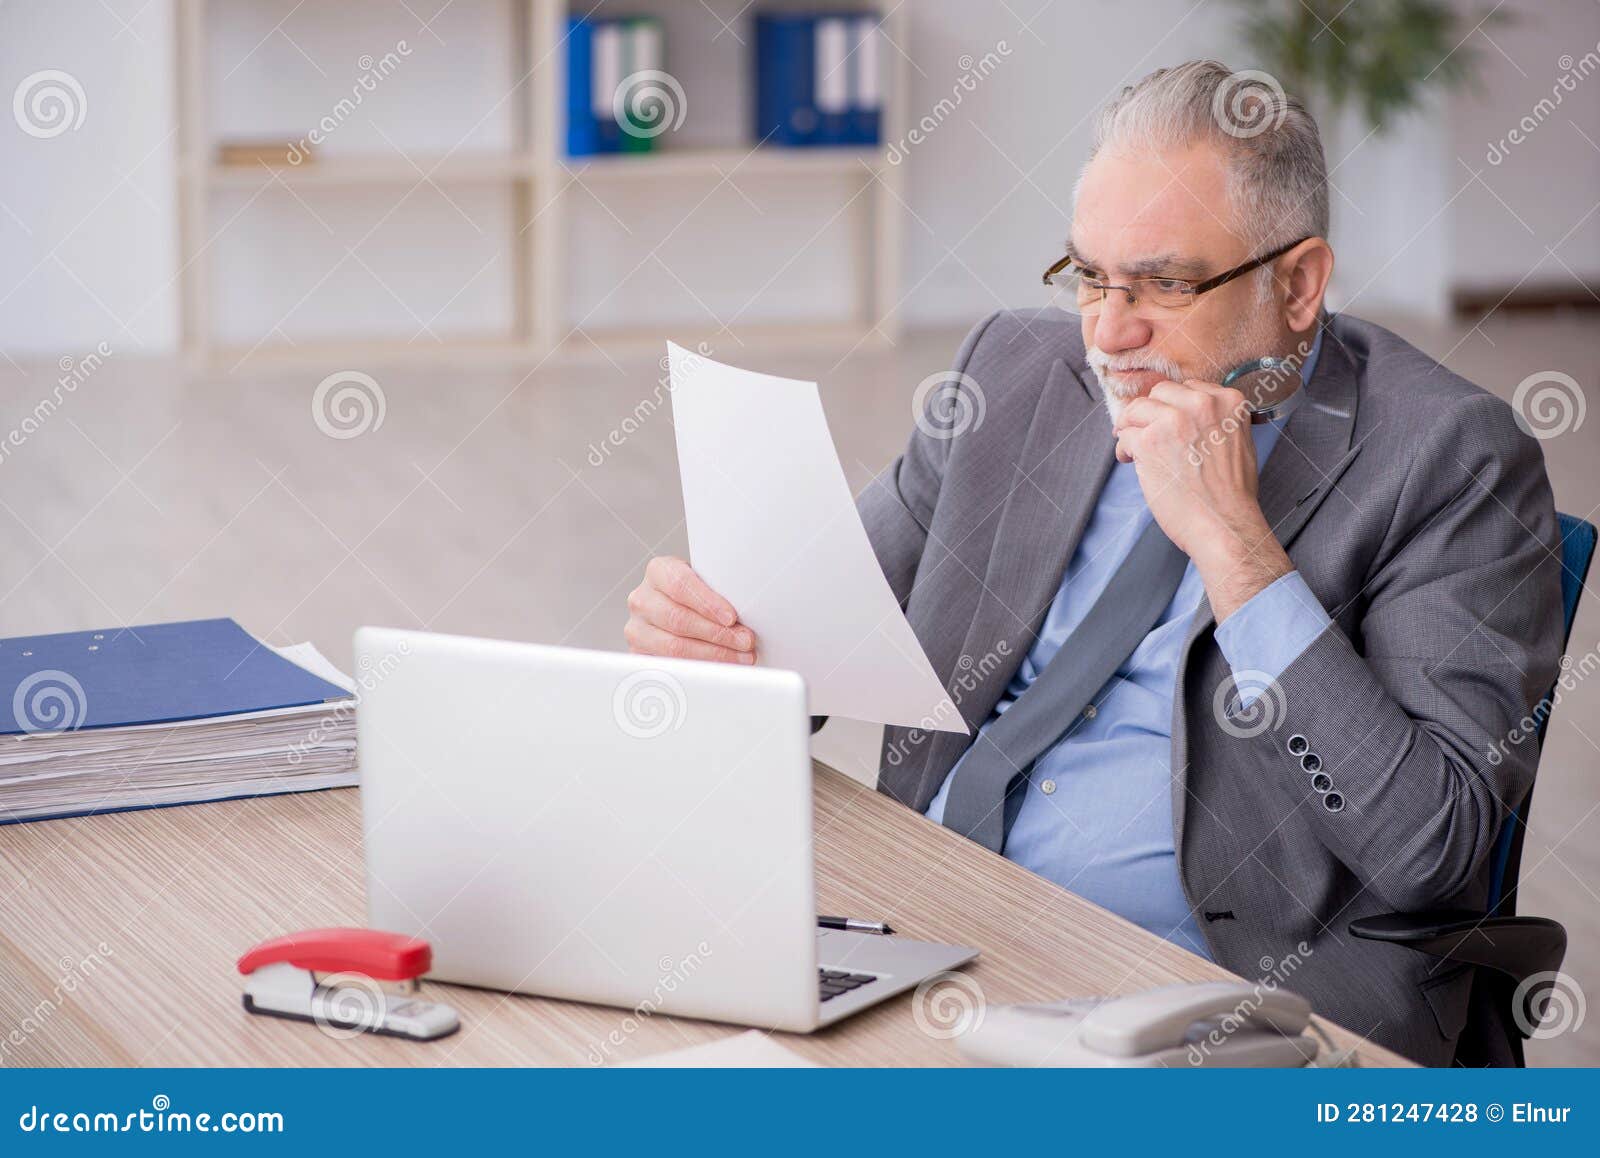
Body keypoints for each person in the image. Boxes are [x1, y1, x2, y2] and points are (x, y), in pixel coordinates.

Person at [623, 61, 1562, 1065]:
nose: (1109, 335)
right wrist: (729, 650)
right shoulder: (1014, 374)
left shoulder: (1449, 459)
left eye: (1163, 283)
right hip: (926, 927)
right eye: (1088, 277)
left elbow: (1432, 850)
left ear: (1297, 283)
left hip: (1214, 1001)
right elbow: (816, 622)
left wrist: (1238, 551)